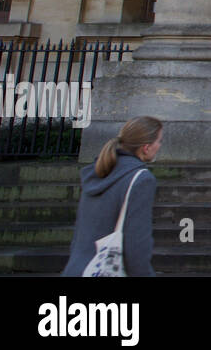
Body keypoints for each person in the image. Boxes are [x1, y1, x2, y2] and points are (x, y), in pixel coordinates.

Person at [63, 115, 162, 277]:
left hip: (78, 269)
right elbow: (136, 244)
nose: (159, 145)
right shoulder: (141, 179)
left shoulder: (97, 172)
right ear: (146, 147)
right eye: (159, 141)